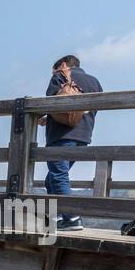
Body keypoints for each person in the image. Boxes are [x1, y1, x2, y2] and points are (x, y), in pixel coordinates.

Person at [44, 55, 102, 232]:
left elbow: (51, 102)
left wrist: (48, 115)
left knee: (59, 175)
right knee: (52, 178)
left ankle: (72, 218)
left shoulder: (60, 76)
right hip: (83, 137)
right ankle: (57, 217)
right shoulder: (94, 82)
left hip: (62, 135)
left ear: (62, 65)